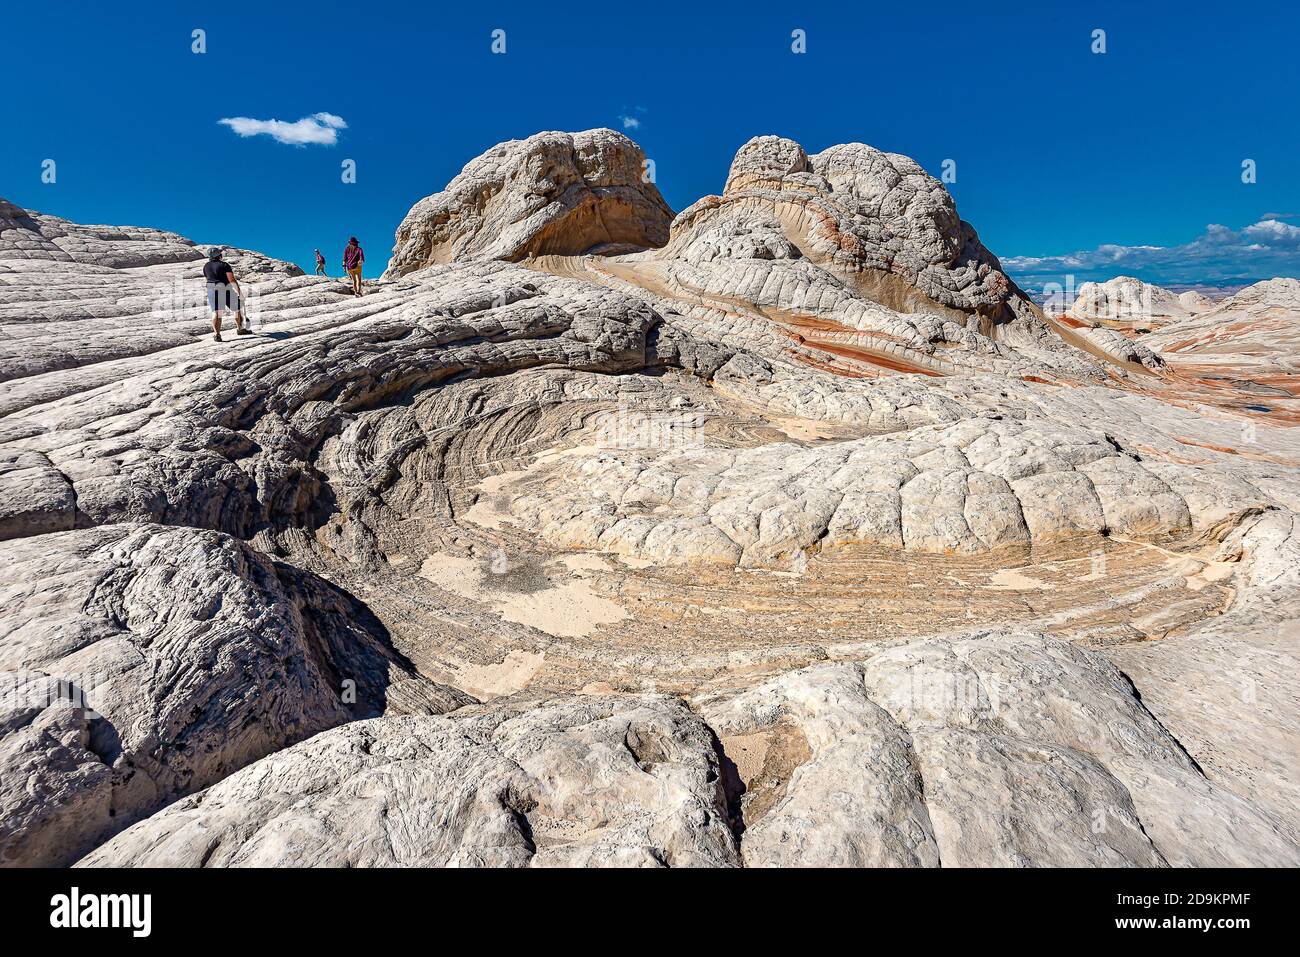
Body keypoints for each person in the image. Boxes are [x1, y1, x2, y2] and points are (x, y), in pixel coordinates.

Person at [203, 248, 249, 342]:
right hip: (225, 289)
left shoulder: (206, 266)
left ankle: (217, 334)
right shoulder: (224, 265)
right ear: (219, 255)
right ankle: (240, 329)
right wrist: (239, 293)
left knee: (216, 312)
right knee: (237, 308)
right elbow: (231, 280)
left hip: (211, 289)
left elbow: (207, 278)